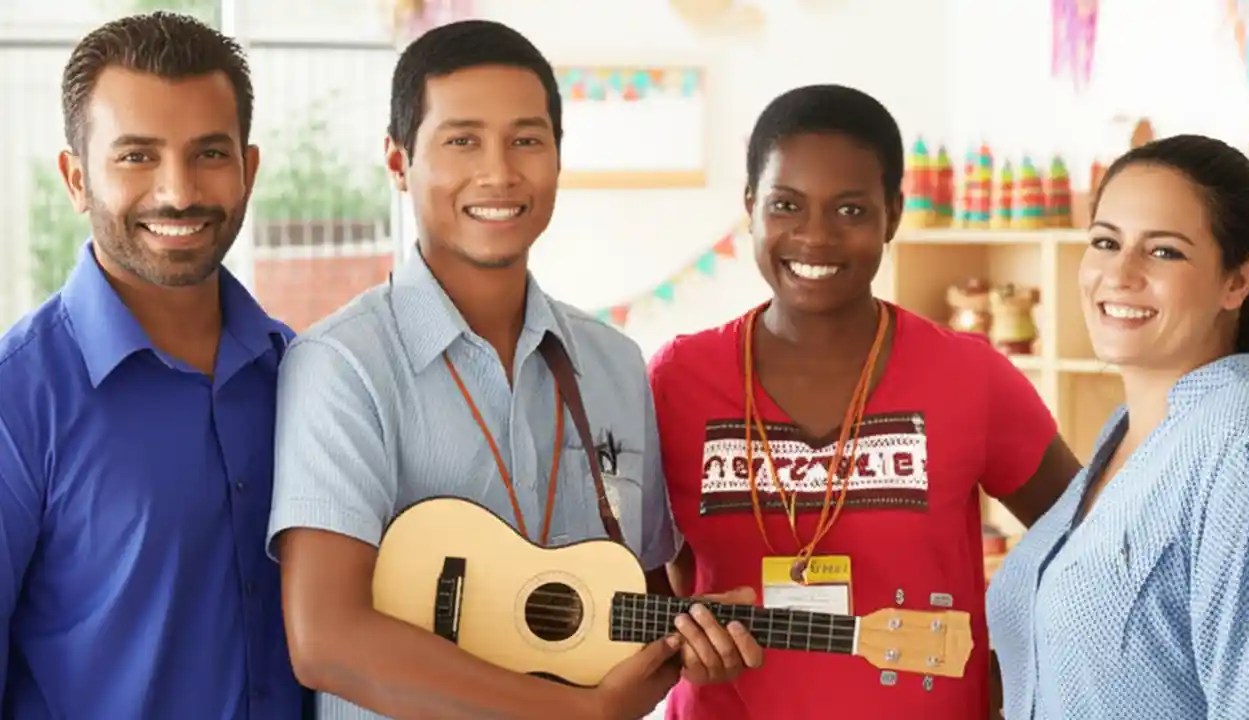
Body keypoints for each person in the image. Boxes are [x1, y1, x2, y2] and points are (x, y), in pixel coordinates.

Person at [266, 19, 761, 720]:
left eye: (527, 139)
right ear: (399, 162)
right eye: (462, 140)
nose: (499, 173)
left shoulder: (614, 365)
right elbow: (328, 640)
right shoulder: (341, 365)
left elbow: (634, 603)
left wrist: (689, 642)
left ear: (559, 156)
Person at [647, 84, 1081, 720]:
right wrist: (681, 639)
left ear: (894, 213)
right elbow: (650, 578)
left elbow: (1086, 548)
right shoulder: (678, 378)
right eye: (787, 205)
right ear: (750, 208)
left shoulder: (971, 375)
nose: (814, 237)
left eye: (850, 211)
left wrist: (1010, 668)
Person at [0, 11, 304, 719]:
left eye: (209, 153)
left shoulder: (301, 374)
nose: (179, 192)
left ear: (248, 169)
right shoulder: (17, 398)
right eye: (136, 156)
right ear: (76, 179)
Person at [987, 134, 1249, 719]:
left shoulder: (1246, 448)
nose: (1119, 274)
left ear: (1238, 280)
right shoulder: (1130, 430)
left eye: (1164, 252)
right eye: (1105, 242)